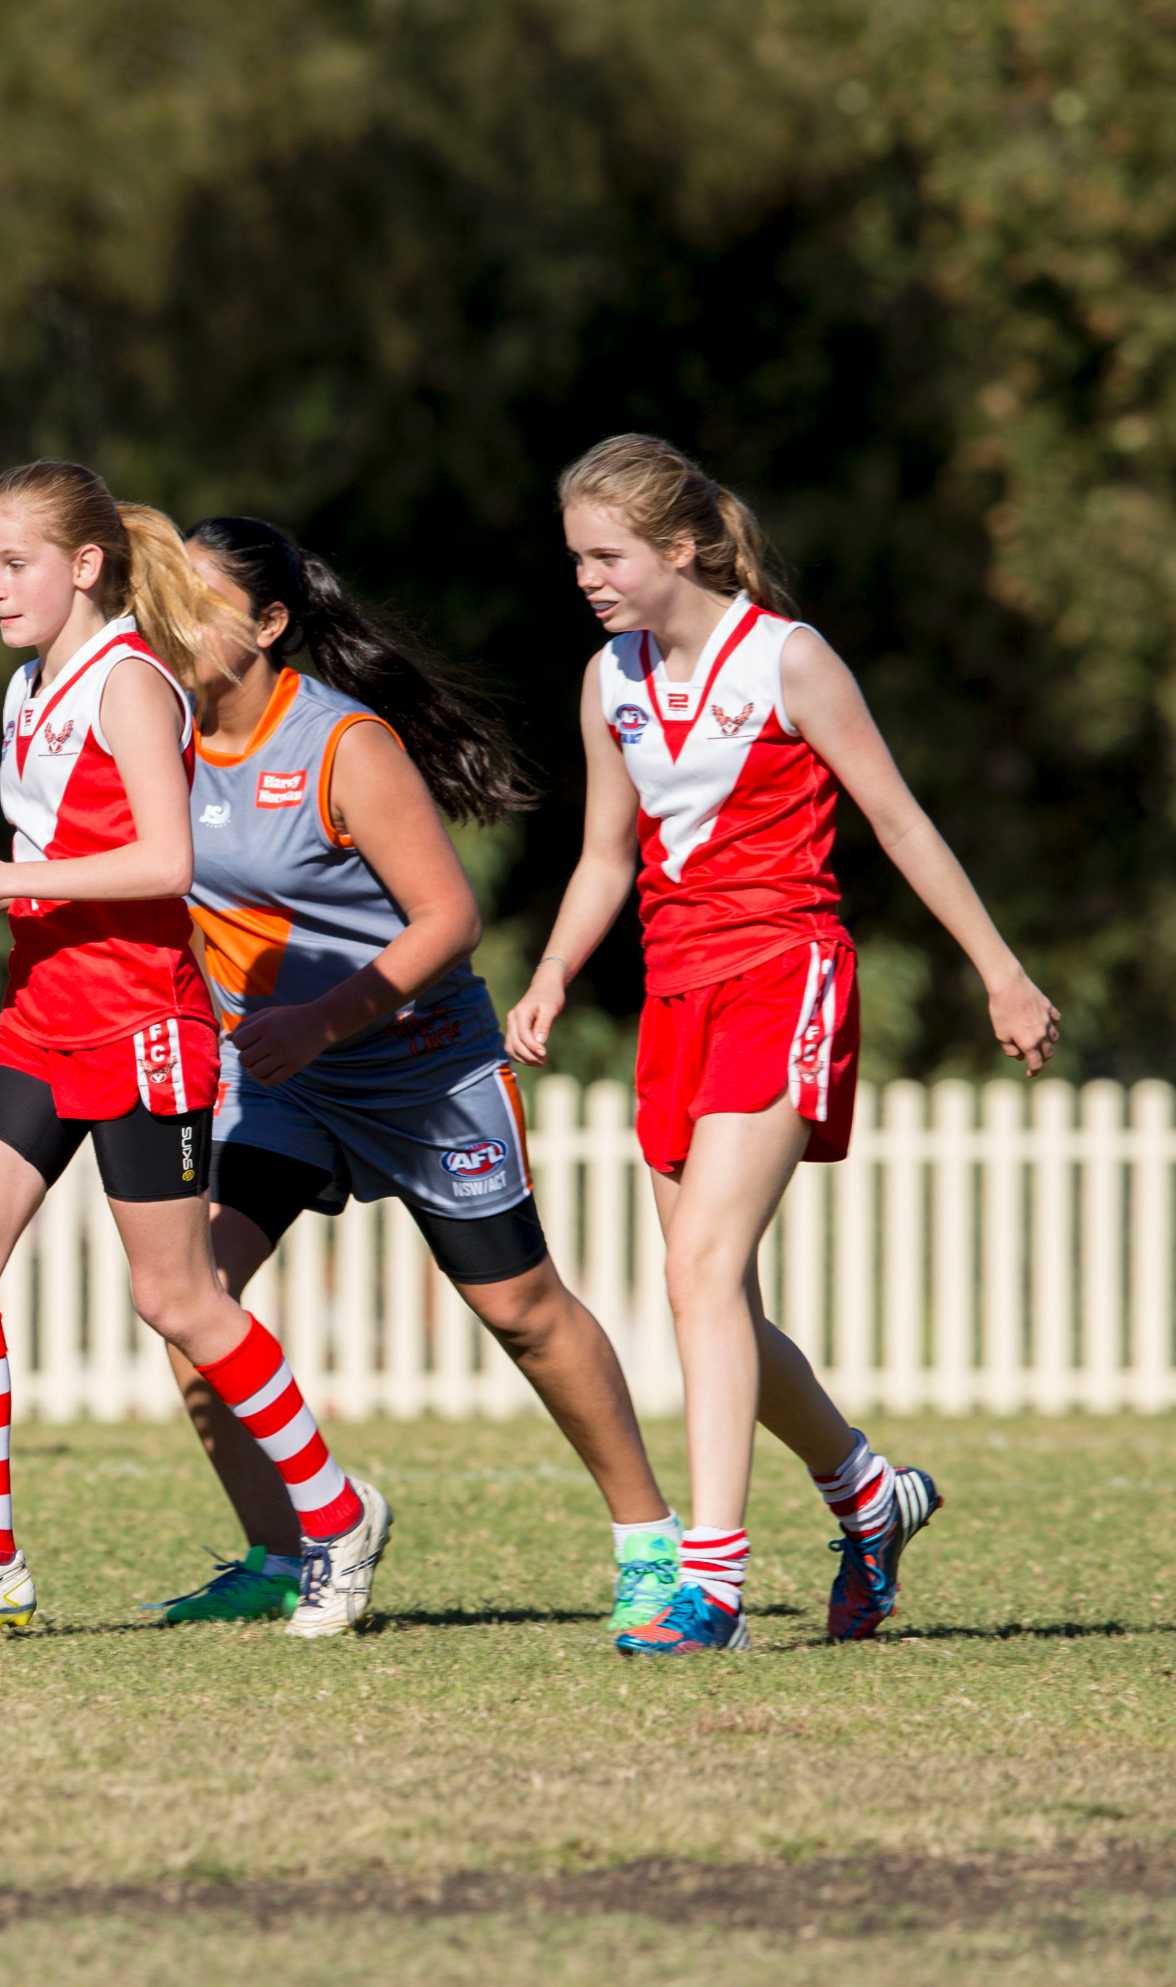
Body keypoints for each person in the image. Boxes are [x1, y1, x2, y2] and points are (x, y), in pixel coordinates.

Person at [508, 435, 1059, 1654]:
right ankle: (871, 1493)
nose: (588, 578)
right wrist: (550, 971)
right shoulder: (610, 681)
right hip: (677, 994)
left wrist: (1001, 971)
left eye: (607, 555)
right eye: (577, 559)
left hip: (784, 973)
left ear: (683, 547)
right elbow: (607, 857)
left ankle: (710, 1589)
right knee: (720, 1305)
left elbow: (901, 823)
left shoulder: (789, 660)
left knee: (699, 1274)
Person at [142, 517, 680, 1638]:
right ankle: (284, 1551)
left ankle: (651, 1544)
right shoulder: (159, 736)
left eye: (196, 603)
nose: (168, 623)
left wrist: (326, 1019)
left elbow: (451, 919)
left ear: (271, 624)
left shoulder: (343, 745)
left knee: (523, 1311)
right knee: (195, 1305)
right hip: (283, 1080)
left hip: (418, 1069)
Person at [0, 461, 392, 1636]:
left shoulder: (131, 684)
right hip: (40, 1016)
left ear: (86, 566)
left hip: (142, 1025)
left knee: (179, 1298)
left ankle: (334, 1514)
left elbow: (166, 864)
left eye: (15, 567)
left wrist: (4, 879)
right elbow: (53, 849)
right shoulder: (29, 686)